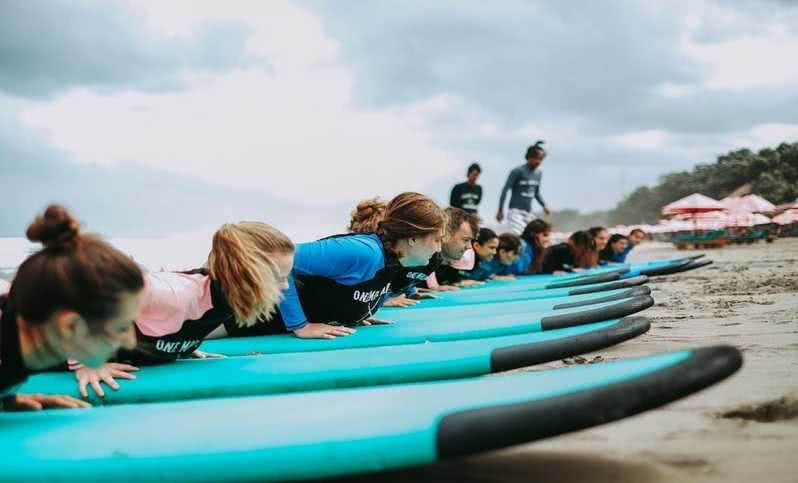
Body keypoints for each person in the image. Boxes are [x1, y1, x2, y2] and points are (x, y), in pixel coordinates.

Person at [73, 221, 295, 397]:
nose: (285, 286)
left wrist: (182, 347)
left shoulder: (224, 298)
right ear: (245, 274)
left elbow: (167, 323)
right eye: (278, 277)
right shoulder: (174, 294)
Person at [232, 192, 446, 338]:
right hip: (239, 312)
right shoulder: (364, 252)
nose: (439, 248)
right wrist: (300, 325)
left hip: (267, 326)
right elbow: (274, 259)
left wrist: (357, 314)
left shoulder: (397, 262)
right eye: (437, 239)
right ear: (413, 238)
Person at [1, 205, 144, 410]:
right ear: (71, 326)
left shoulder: (24, 339)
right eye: (122, 327)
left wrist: (7, 398)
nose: (130, 342)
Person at [496, 141, 551, 235]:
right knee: (519, 237)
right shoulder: (517, 171)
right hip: (515, 212)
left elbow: (536, 193)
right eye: (537, 159)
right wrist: (500, 210)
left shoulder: (538, 173)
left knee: (535, 236)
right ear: (529, 157)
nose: (539, 162)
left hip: (528, 213)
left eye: (541, 159)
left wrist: (544, 205)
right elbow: (505, 190)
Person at [420, 208, 479, 290]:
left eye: (470, 241)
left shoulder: (443, 260)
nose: (469, 247)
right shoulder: (419, 257)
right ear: (445, 234)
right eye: (466, 240)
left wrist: (459, 282)